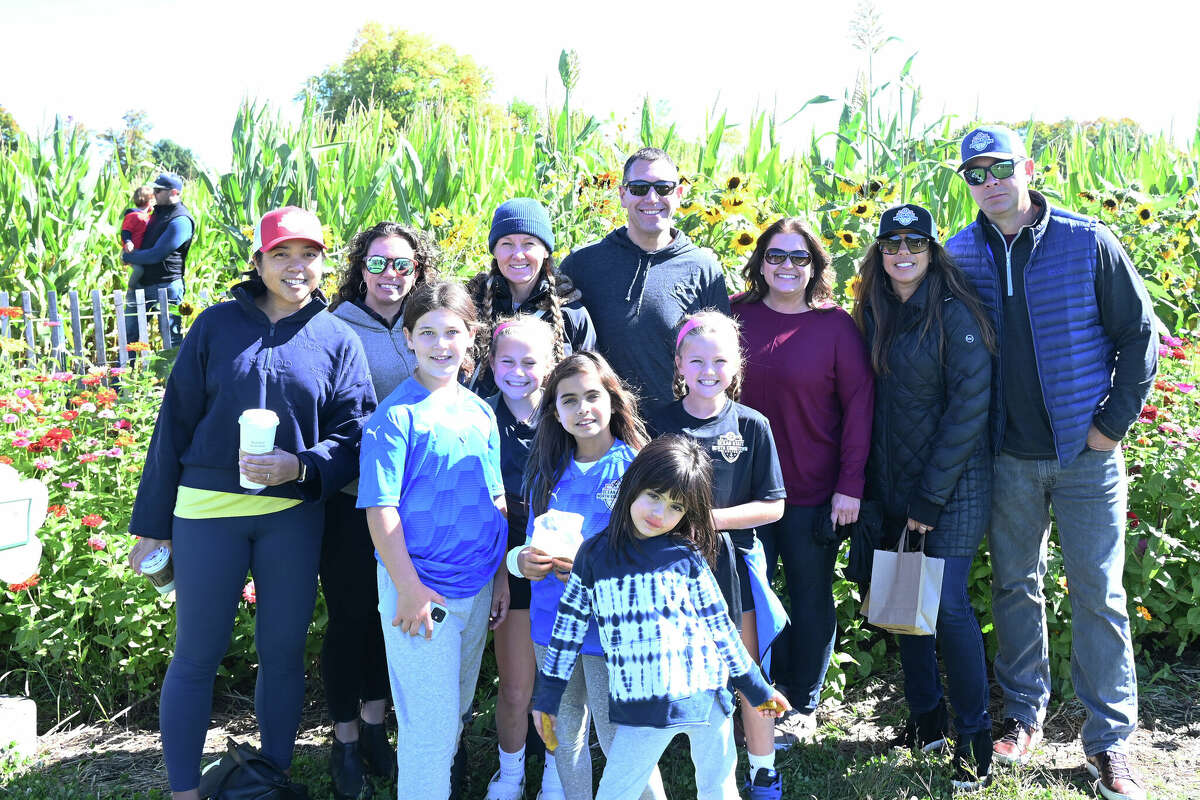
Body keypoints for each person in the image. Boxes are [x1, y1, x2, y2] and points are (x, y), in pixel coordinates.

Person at [126, 206, 376, 800]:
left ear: (322, 262)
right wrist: (151, 526)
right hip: (207, 512)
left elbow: (356, 431)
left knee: (284, 652)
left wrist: (302, 466)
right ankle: (183, 789)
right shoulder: (215, 326)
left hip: (290, 515)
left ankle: (269, 780)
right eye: (282, 254)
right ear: (258, 261)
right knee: (196, 653)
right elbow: (174, 423)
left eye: (309, 254)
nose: (297, 266)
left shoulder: (337, 338)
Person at [946, 125, 1157, 800]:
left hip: (1083, 457)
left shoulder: (1086, 240)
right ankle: (1023, 714)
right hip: (1006, 458)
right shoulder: (958, 254)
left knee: (1099, 594)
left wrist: (1108, 428)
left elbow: (1138, 335)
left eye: (1000, 167)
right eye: (975, 173)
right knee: (1015, 586)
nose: (990, 182)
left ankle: (1111, 741)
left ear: (1027, 168)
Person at [531, 435, 791, 800]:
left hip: (707, 701)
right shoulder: (594, 556)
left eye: (675, 507)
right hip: (640, 709)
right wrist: (547, 698)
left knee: (718, 790)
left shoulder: (687, 555)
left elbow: (721, 629)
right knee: (616, 793)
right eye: (653, 495)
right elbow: (567, 631)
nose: (659, 513)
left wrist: (758, 689)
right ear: (632, 484)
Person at [852, 203, 996, 791]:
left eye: (915, 243)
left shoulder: (955, 314)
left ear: (932, 251)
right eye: (891, 245)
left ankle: (974, 741)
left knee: (947, 608)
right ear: (879, 253)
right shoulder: (875, 310)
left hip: (951, 489)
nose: (902, 253)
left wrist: (929, 499)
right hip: (893, 489)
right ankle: (925, 721)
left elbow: (968, 411)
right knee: (905, 604)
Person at [357, 280, 509, 800]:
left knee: (456, 712)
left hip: (477, 588)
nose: (441, 344)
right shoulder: (396, 418)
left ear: (473, 337)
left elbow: (496, 498)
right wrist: (409, 588)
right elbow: (381, 510)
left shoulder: (480, 409)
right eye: (428, 333)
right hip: (421, 592)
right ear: (408, 338)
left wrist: (501, 577)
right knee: (430, 728)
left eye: (453, 332)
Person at [730, 218, 874, 745]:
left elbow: (860, 406)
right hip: (742, 492)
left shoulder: (834, 326)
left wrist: (850, 484)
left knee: (810, 594)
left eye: (798, 257)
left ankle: (804, 702)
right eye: (775, 255)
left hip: (813, 489)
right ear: (759, 261)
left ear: (815, 265)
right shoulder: (735, 314)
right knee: (751, 595)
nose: (786, 266)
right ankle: (757, 692)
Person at [648, 311, 789, 799]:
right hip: (670, 567)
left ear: (736, 367)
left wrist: (710, 521)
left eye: (720, 360)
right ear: (680, 364)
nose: (709, 370)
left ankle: (764, 770)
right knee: (678, 665)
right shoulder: (658, 423)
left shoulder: (752, 426)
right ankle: (688, 759)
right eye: (698, 359)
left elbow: (773, 506)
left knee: (748, 669)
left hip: (733, 566)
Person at [514, 351, 665, 800]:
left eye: (592, 396)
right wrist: (521, 562)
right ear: (555, 413)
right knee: (559, 732)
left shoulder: (637, 469)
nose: (583, 409)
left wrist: (590, 564)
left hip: (610, 632)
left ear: (613, 401)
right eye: (569, 400)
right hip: (550, 626)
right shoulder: (545, 472)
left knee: (621, 738)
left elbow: (654, 554)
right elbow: (528, 540)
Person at [320, 222, 438, 798]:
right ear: (359, 267)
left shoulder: (430, 327)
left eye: (402, 265)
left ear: (418, 270)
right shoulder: (333, 325)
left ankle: (374, 728)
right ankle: (342, 741)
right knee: (349, 619)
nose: (390, 275)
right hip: (348, 503)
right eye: (378, 263)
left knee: (390, 617)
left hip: (411, 509)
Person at [561, 147, 729, 413]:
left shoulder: (703, 270)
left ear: (679, 195)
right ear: (622, 194)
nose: (652, 198)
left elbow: (722, 360)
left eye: (663, 188)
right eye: (639, 188)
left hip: (676, 437)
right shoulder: (582, 264)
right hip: (602, 434)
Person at [478, 315, 563, 800]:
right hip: (506, 566)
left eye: (530, 362)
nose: (518, 371)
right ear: (491, 364)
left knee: (558, 687)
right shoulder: (479, 416)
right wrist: (500, 574)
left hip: (560, 570)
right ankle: (510, 774)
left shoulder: (568, 418)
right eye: (507, 361)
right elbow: (483, 511)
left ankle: (555, 771)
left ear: (549, 367)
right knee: (514, 687)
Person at [467, 197, 595, 396]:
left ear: (545, 251)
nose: (518, 255)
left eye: (529, 244)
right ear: (494, 251)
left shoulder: (570, 314)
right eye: (507, 244)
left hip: (546, 425)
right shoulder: (472, 303)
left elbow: (588, 384)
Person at [122, 172, 194, 348]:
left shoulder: (181, 220)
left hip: (167, 286)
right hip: (142, 284)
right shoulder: (155, 214)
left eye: (159, 190)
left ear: (174, 193)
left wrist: (128, 256)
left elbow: (157, 254)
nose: (154, 193)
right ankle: (122, 376)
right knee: (129, 336)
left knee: (170, 338)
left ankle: (173, 375)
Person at [120, 185, 155, 253]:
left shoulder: (145, 216)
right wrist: (128, 242)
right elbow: (125, 231)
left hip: (140, 251)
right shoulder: (135, 216)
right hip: (133, 251)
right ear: (149, 202)